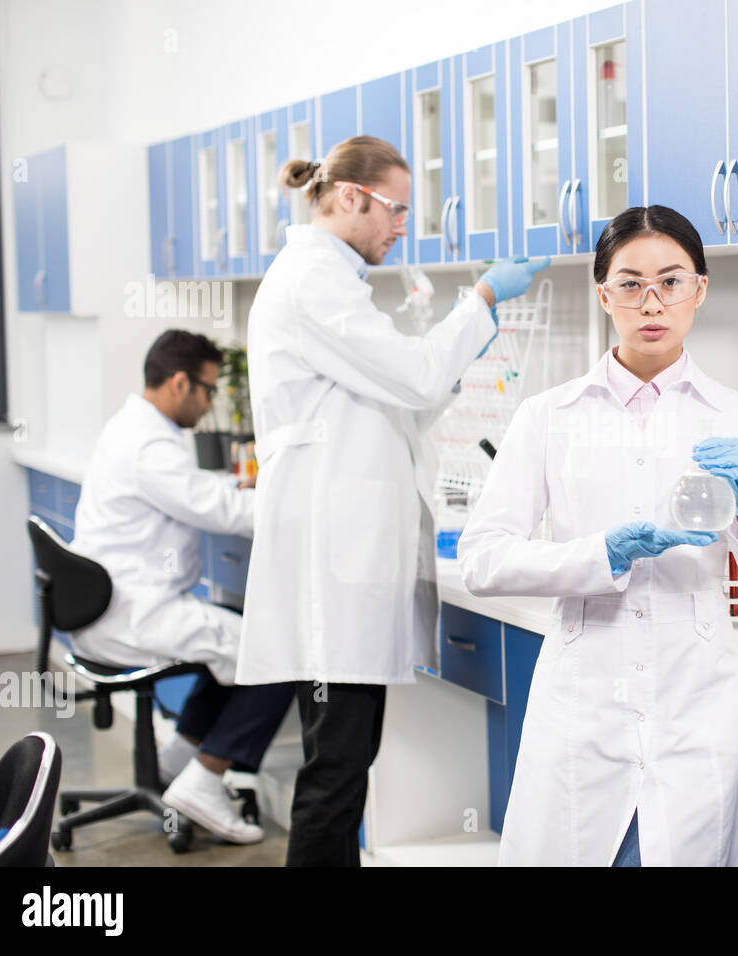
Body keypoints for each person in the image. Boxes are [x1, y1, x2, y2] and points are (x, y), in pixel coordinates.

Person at [457, 205, 738, 866]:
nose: (652, 302)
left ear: (700, 289)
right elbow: (482, 559)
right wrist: (600, 555)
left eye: (671, 282)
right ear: (603, 295)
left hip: (694, 712)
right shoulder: (548, 417)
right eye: (630, 284)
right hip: (584, 714)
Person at [238, 134, 548, 866]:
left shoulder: (330, 281)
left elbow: (399, 403)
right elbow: (411, 378)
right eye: (396, 209)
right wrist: (478, 301)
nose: (403, 225)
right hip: (333, 569)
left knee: (343, 766)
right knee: (337, 774)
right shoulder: (313, 280)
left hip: (340, 562)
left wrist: (454, 359)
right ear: (351, 197)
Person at [69, 330, 295, 844]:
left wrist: (235, 485)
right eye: (209, 390)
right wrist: (297, 500)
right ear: (179, 382)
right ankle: (208, 778)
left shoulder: (136, 428)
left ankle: (181, 757)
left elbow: (191, 492)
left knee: (230, 630)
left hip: (121, 603)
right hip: (131, 613)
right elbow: (216, 510)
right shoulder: (147, 443)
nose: (211, 402)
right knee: (277, 650)